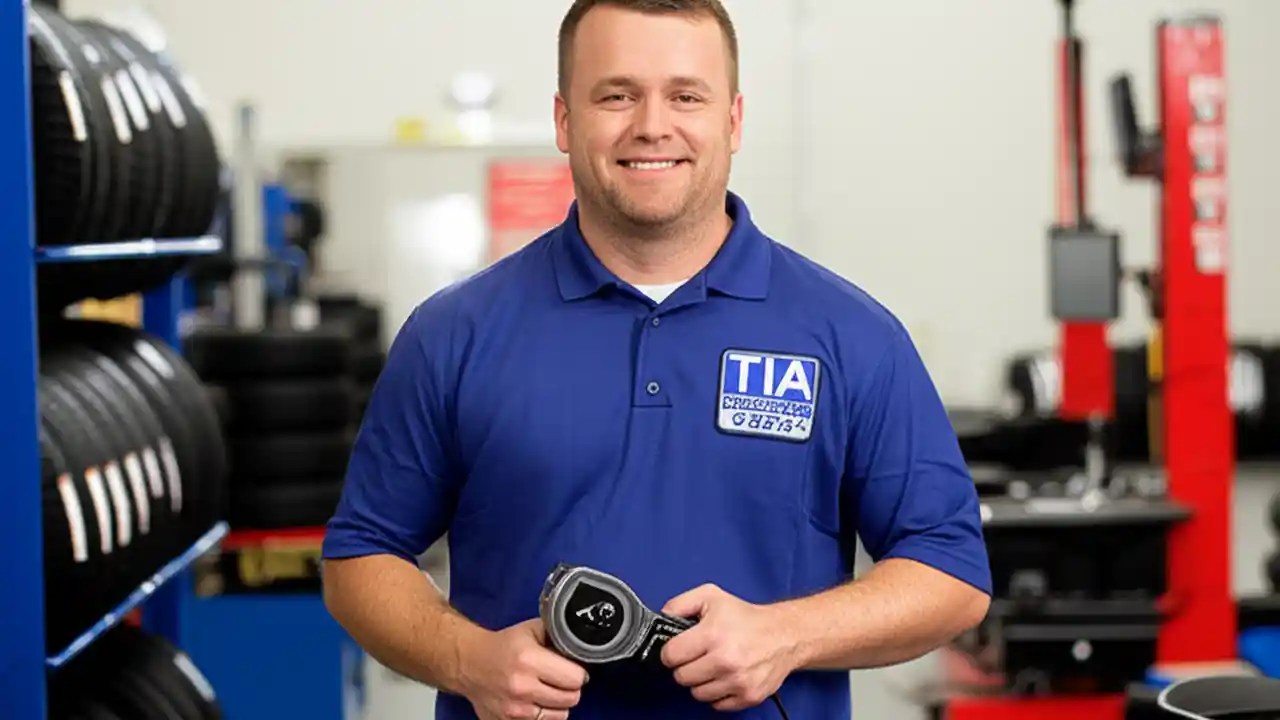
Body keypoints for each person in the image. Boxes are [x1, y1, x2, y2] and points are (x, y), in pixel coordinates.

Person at [321, 0, 993, 718]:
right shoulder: (455, 333)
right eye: (616, 95)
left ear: (733, 121)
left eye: (685, 97)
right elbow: (361, 555)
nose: (651, 125)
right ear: (564, 120)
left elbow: (951, 573)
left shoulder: (851, 336)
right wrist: (469, 660)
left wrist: (788, 635)